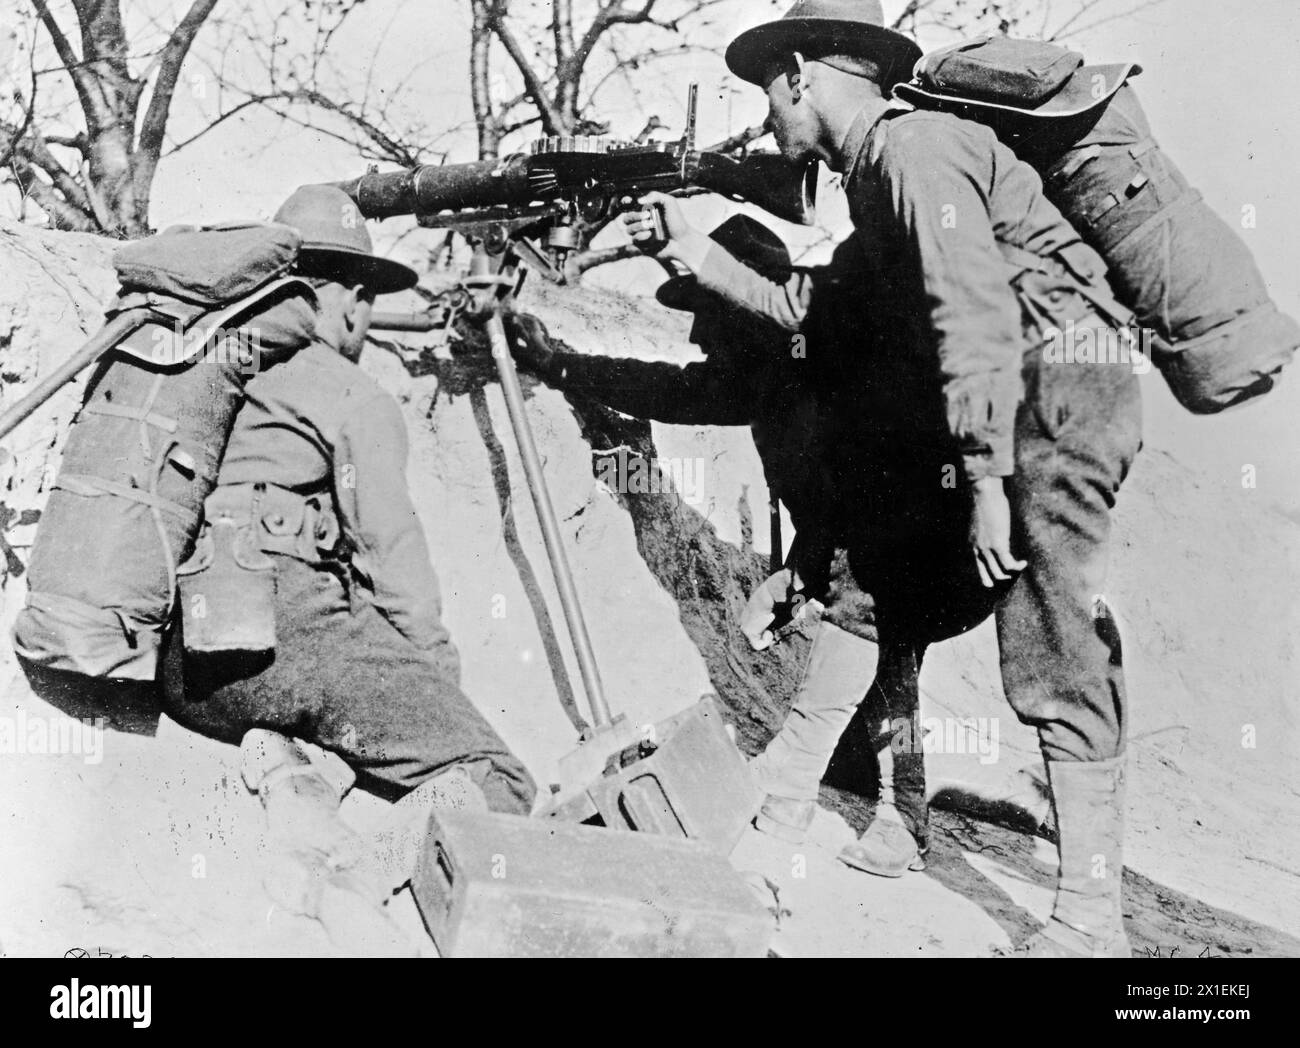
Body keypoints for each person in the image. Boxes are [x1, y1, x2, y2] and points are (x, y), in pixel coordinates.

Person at [634, 0, 1144, 958]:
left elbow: (972, 314)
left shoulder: (911, 155)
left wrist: (989, 481)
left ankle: (1089, 923)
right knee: (876, 581)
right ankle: (812, 806)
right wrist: (690, 251)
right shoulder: (879, 175)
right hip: (1006, 396)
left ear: (799, 76)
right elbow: (814, 310)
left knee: (1054, 644)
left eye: (768, 93)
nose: (769, 119)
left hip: (1050, 396)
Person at [160, 185, 537, 949]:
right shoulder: (349, 392)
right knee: (499, 775)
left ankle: (291, 769)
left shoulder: (210, 365)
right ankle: (356, 873)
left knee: (344, 707)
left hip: (186, 675)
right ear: (354, 298)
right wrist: (434, 679)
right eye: (364, 299)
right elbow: (392, 552)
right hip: (280, 639)